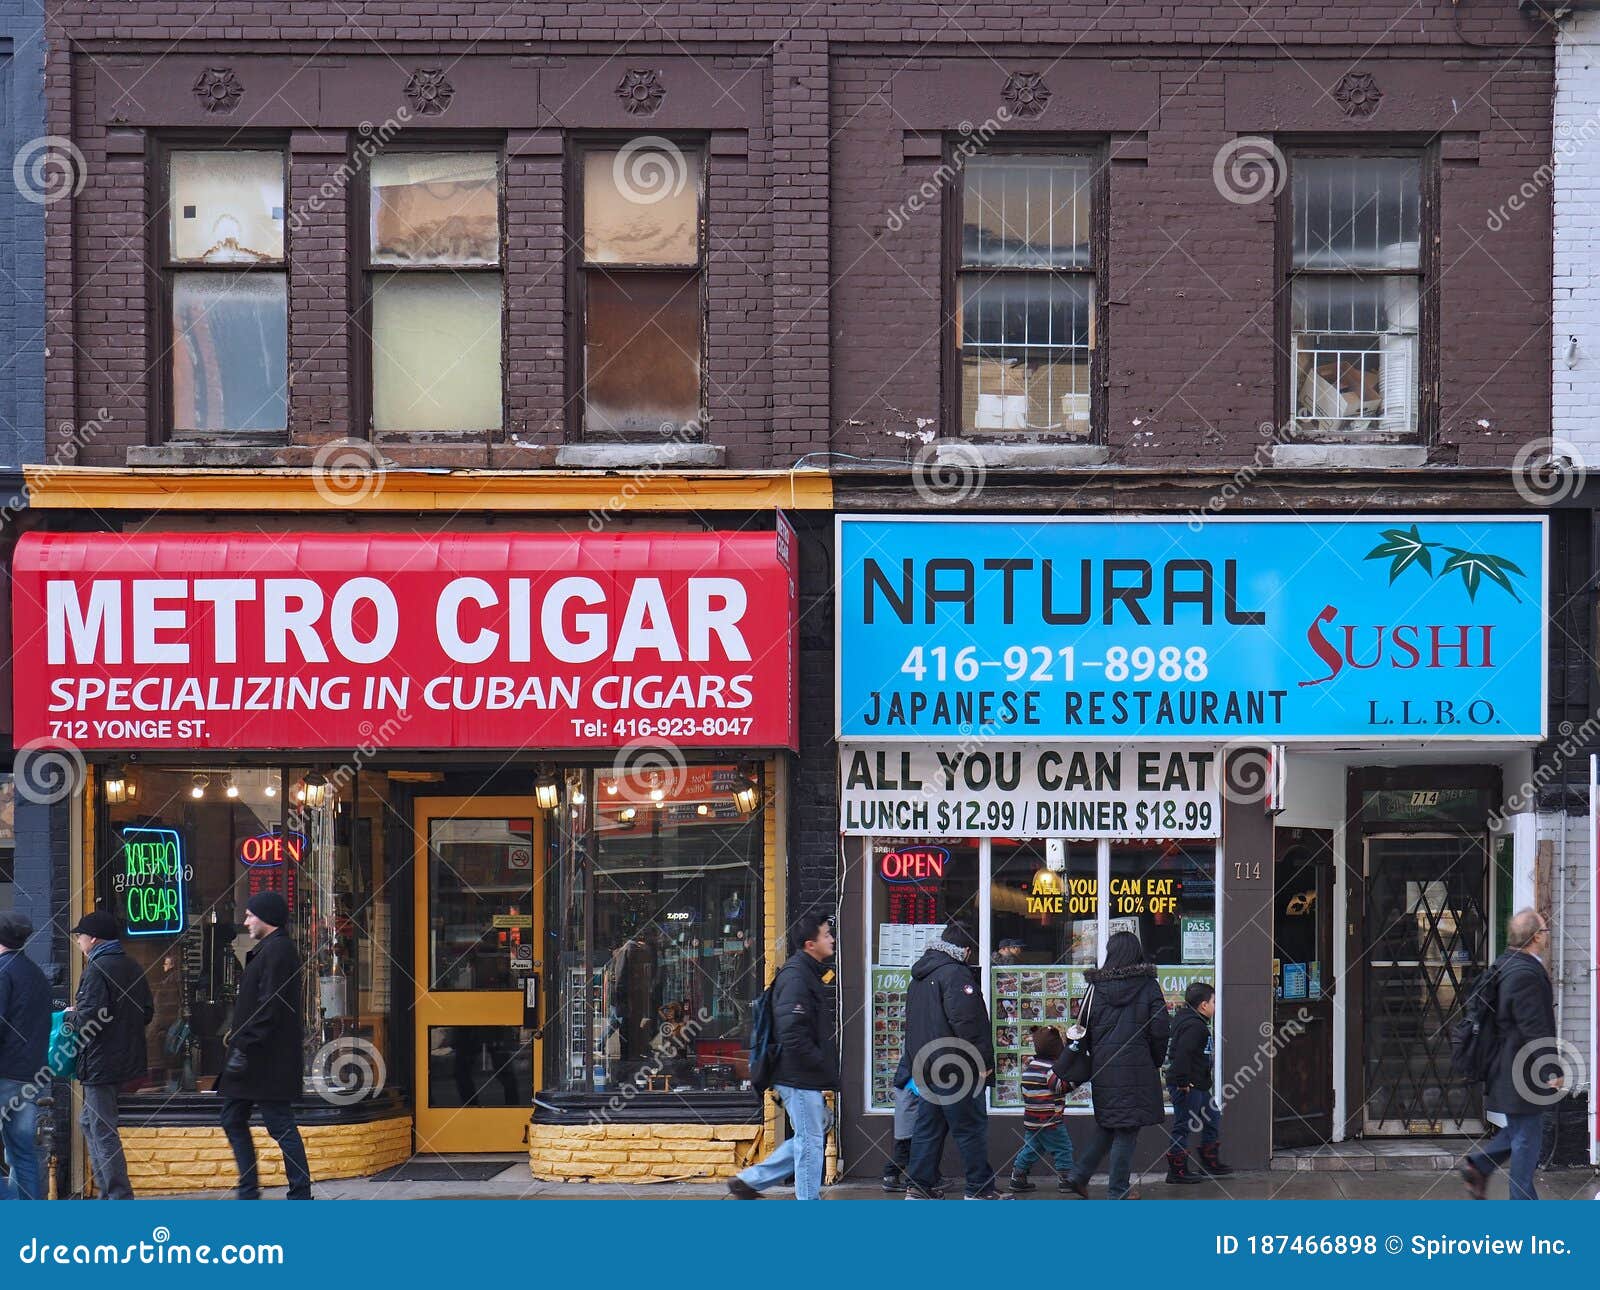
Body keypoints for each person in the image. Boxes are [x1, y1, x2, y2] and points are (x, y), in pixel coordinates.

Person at [728, 908, 839, 1200]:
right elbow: (791, 1032)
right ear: (809, 944)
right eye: (826, 934)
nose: (832, 939)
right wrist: (818, 1061)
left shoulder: (807, 973)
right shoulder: (797, 977)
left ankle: (750, 1181)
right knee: (811, 1141)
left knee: (810, 1135)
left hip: (800, 1075)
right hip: (798, 1075)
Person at [899, 920, 1006, 1200]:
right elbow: (969, 1023)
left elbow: (911, 1025)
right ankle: (979, 1188)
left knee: (928, 1128)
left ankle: (920, 1185)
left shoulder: (920, 977)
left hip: (927, 1067)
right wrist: (984, 1061)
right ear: (966, 950)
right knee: (970, 1128)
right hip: (957, 1068)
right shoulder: (956, 975)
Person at [1460, 908, 1560, 1201]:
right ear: (1535, 937)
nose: (1546, 936)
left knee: (1520, 1131)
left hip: (1506, 1067)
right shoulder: (1526, 973)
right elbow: (1534, 1027)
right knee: (1526, 1142)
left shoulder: (1505, 964)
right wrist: (1549, 1069)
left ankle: (1478, 1166)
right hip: (1521, 1071)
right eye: (1544, 931)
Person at [218, 892, 313, 1200]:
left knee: (279, 1124)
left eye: (250, 915)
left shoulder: (279, 952)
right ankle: (249, 1190)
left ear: (266, 918)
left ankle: (299, 1194)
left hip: (265, 1059)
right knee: (233, 1118)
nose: (246, 921)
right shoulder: (270, 950)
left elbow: (270, 1006)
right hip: (255, 1057)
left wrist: (244, 1045)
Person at [1062, 931, 1170, 1200]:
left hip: (1104, 1067)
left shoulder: (1095, 987)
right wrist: (1155, 1059)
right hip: (1138, 1066)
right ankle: (1118, 1190)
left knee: (1112, 1123)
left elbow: (1082, 1027)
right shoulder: (1148, 985)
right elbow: (1160, 1029)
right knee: (1127, 1128)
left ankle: (1079, 1175)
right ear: (1137, 952)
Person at [67, 910, 153, 1200]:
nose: (78, 942)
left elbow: (89, 1019)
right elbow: (147, 1013)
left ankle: (118, 1196)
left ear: (93, 938)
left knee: (102, 1128)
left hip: (101, 1062)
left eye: (80, 936)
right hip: (125, 1060)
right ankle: (108, 1192)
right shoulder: (131, 966)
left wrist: (72, 1017)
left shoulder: (96, 969)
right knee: (88, 1122)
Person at [0, 915, 51, 1200]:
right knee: (23, 1153)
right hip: (30, 1075)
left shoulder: (2, 971)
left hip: (5, 1072)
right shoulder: (36, 974)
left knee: (18, 1152)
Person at [1165, 980, 1230, 1183]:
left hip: (1199, 1085)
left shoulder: (1193, 1022)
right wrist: (1183, 1082)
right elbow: (1182, 1055)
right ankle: (1177, 1171)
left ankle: (1210, 1163)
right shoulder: (1195, 1027)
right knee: (1182, 1126)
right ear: (1203, 1005)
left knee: (1212, 1116)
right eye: (1213, 1002)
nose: (1214, 1006)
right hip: (1187, 1085)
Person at [1008, 1026, 1076, 1192]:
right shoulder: (1052, 1068)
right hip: (1050, 1119)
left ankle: (1018, 1176)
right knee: (1063, 1147)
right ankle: (1066, 1179)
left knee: (1032, 1147)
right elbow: (1060, 1087)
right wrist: (1075, 1082)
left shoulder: (1031, 1065)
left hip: (1032, 1118)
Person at [880, 1081, 924, 1192]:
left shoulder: (903, 1079)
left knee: (906, 1151)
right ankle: (890, 1176)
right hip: (910, 1122)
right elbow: (923, 1092)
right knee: (904, 1153)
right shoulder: (912, 1080)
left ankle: (891, 1177)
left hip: (905, 1122)